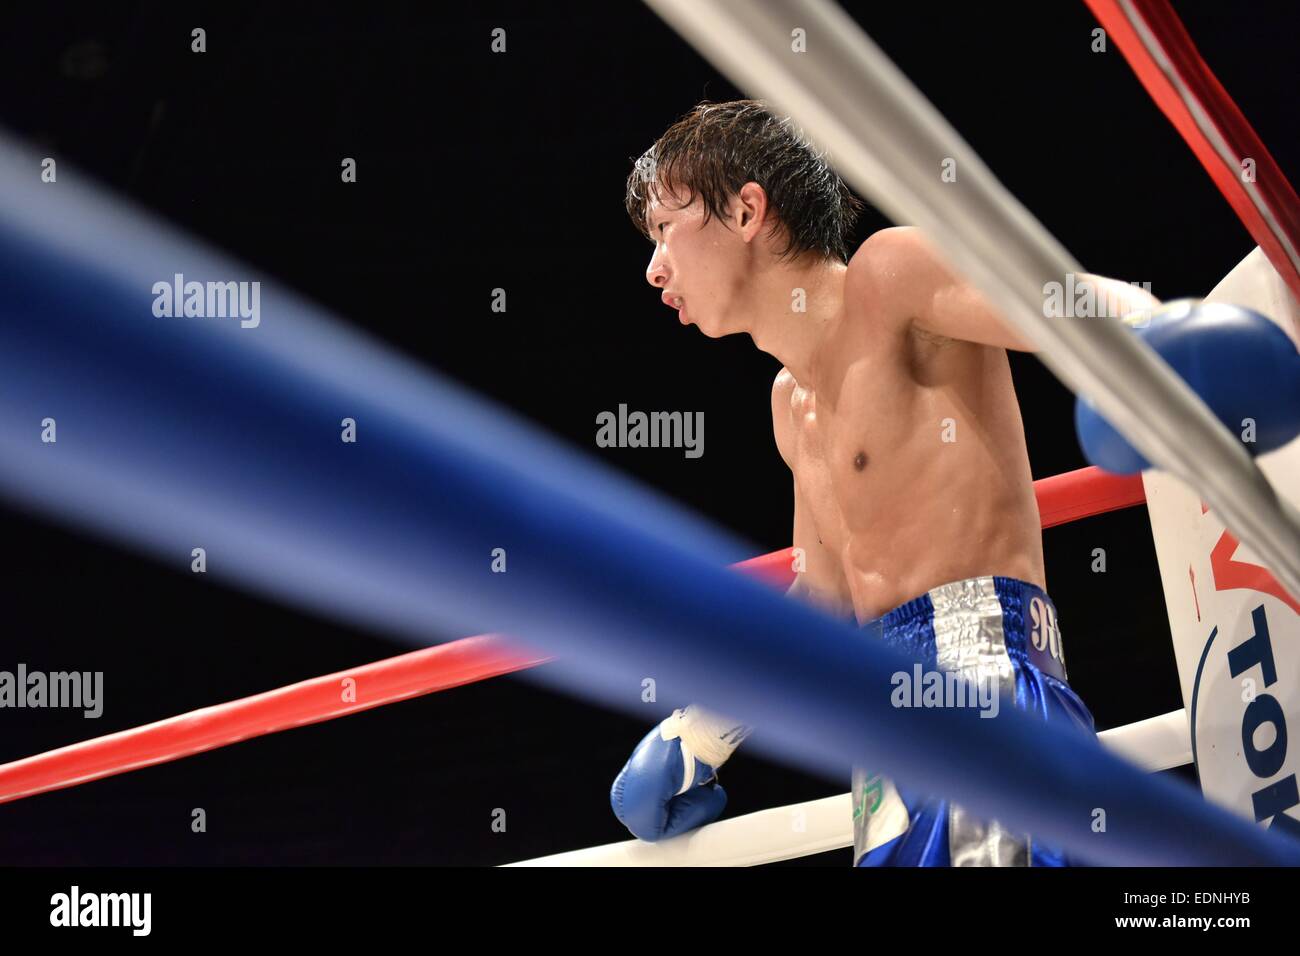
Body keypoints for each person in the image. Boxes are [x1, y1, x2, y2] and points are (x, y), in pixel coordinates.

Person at [610, 99, 1158, 866]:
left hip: (983, 692)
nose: (653, 266)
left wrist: (1167, 347)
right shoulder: (790, 406)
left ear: (745, 210)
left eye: (666, 229)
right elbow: (826, 609)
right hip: (884, 753)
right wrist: (698, 734)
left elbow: (1074, 306)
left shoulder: (889, 278)